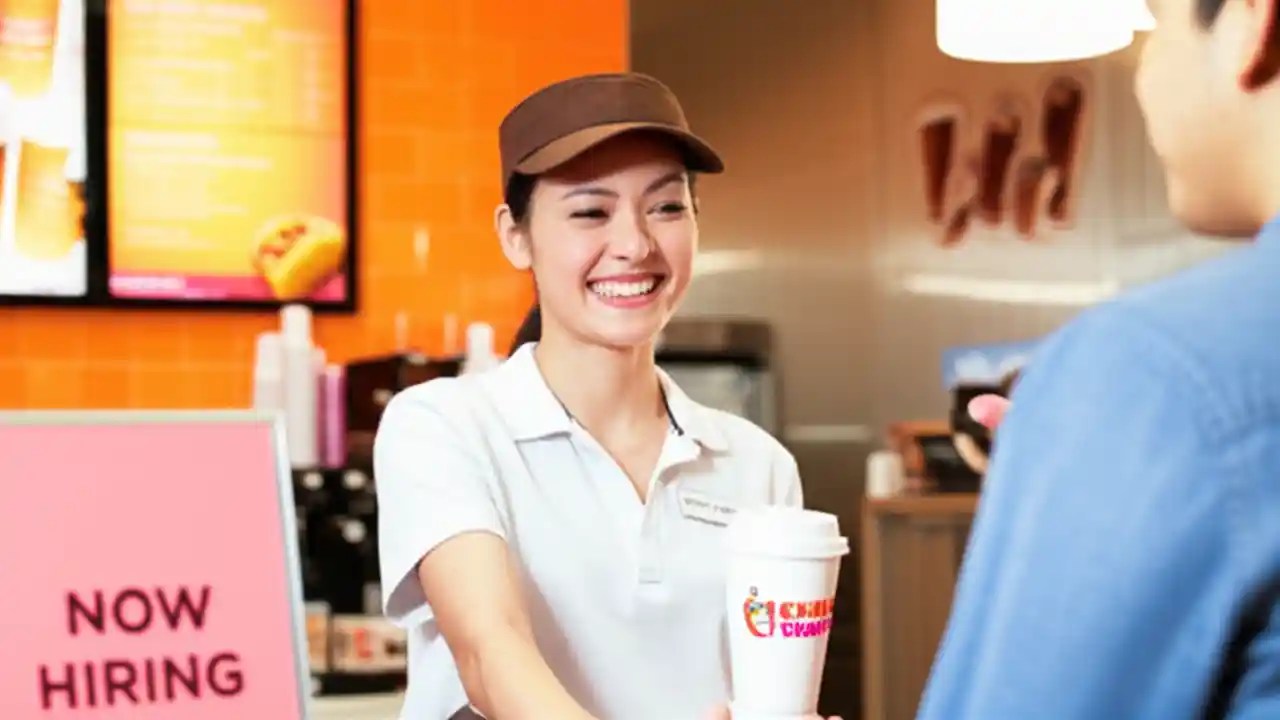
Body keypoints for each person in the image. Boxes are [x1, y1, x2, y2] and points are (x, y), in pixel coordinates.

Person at [374, 73, 840, 720]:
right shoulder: (445, 427)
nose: (634, 245)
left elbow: (769, 697)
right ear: (516, 235)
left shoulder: (757, 465)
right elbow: (489, 653)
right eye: (590, 212)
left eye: (666, 207)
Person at [919, 0, 1280, 718]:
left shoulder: (1155, 375)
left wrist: (1100, 452)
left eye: (1157, 22)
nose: (1143, 74)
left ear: (1252, 22)